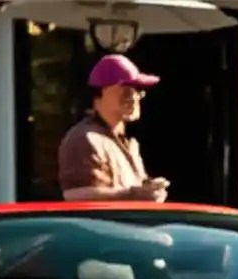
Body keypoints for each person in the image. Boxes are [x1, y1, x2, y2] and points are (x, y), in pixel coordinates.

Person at [58, 54, 169, 202]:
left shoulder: (126, 143)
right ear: (98, 94)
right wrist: (134, 195)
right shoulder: (84, 139)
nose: (134, 97)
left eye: (137, 91)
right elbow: (75, 197)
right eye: (126, 90)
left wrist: (149, 190)